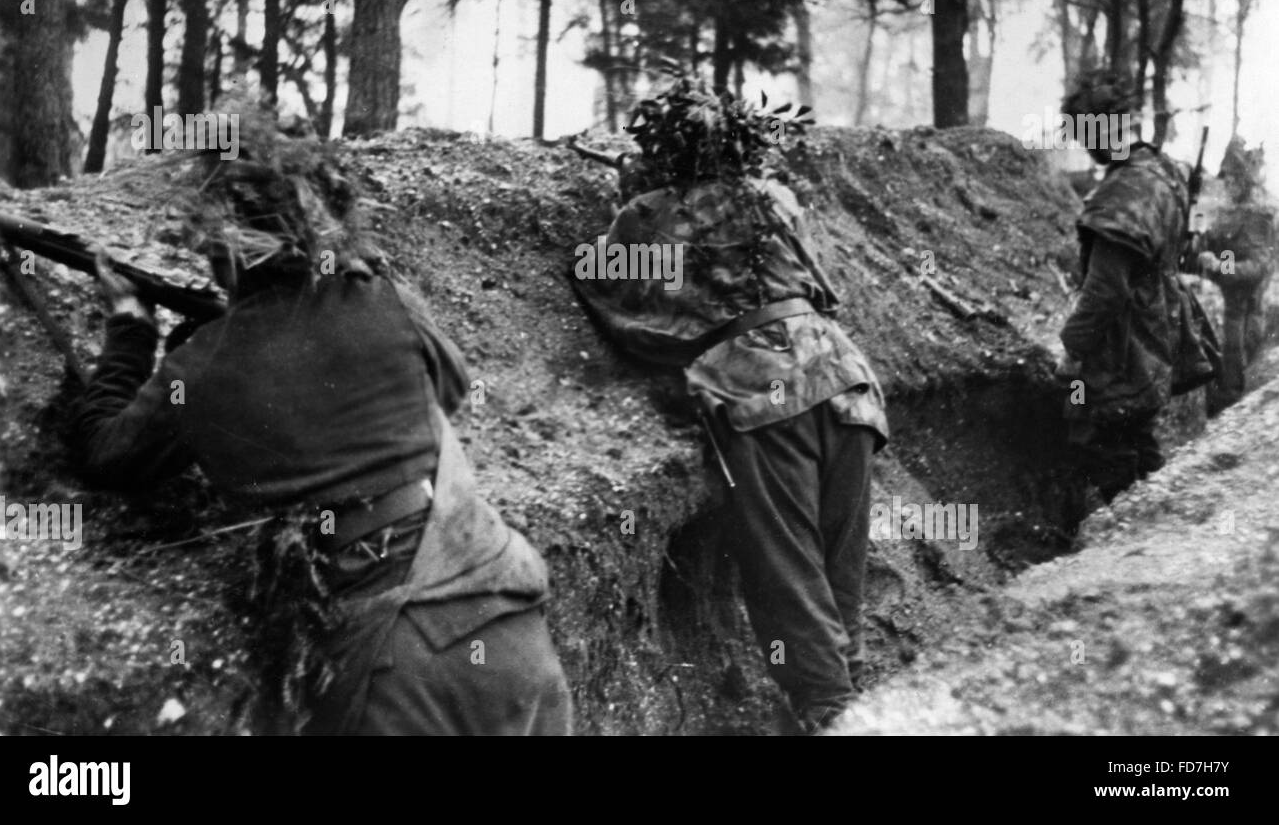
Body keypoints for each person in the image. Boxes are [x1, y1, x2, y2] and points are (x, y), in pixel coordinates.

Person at [75, 115, 572, 735]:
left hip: (398, 658)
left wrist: (130, 329)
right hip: (507, 613)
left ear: (222, 246)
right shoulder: (382, 298)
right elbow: (451, 384)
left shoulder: (202, 365)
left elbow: (105, 455)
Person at [571, 75, 888, 735]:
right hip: (845, 379)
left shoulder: (651, 213)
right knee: (841, 574)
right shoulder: (776, 198)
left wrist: (629, 202)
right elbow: (822, 289)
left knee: (790, 579)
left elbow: (600, 282)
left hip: (763, 394)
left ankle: (834, 716)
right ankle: (855, 704)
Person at [1056, 70, 1189, 502]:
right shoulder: (1163, 172)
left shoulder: (1120, 196)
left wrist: (1072, 349)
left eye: (1082, 132)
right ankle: (1156, 526)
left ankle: (1115, 545)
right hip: (1157, 350)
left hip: (1119, 360)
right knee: (1141, 447)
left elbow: (1105, 292)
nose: (1082, 144)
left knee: (1093, 441)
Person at [1197, 139, 1275, 412]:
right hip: (1223, 308)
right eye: (1225, 179)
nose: (1226, 184)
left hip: (1242, 314)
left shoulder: (1257, 216)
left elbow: (1257, 267)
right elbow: (1212, 242)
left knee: (1230, 390)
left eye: (1231, 178)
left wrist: (1220, 267)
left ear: (1243, 180)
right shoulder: (1228, 212)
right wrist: (1200, 242)